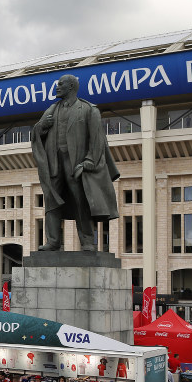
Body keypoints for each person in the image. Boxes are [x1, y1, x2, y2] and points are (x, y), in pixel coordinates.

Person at [30, 73, 120, 251]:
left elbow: (97, 140)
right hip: (55, 163)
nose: (57, 87)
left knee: (81, 201)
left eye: (60, 84)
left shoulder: (88, 109)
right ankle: (53, 241)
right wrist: (42, 127)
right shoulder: (52, 110)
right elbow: (37, 133)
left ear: (71, 87)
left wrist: (88, 162)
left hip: (76, 164)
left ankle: (87, 241)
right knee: (51, 200)